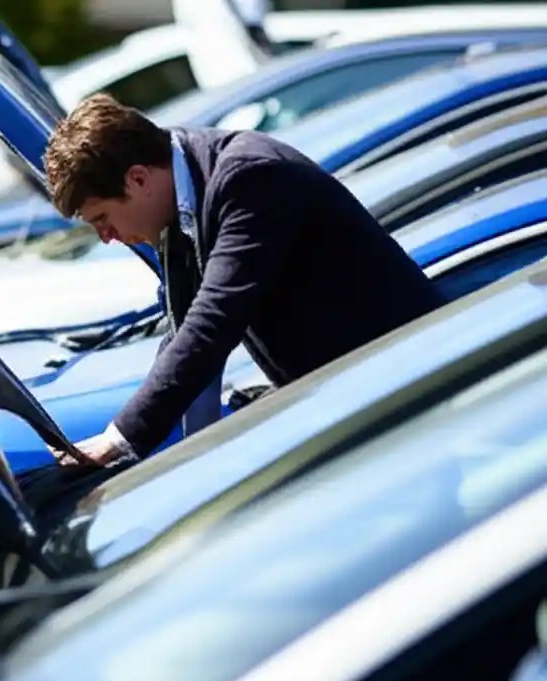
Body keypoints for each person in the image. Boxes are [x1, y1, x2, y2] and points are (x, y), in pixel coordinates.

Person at [45, 94, 444, 466]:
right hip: (363, 403)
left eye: (102, 218)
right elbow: (183, 327)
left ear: (138, 180)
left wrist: (119, 438)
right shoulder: (186, 195)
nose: (106, 236)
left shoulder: (248, 178)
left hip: (410, 399)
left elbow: (215, 318)